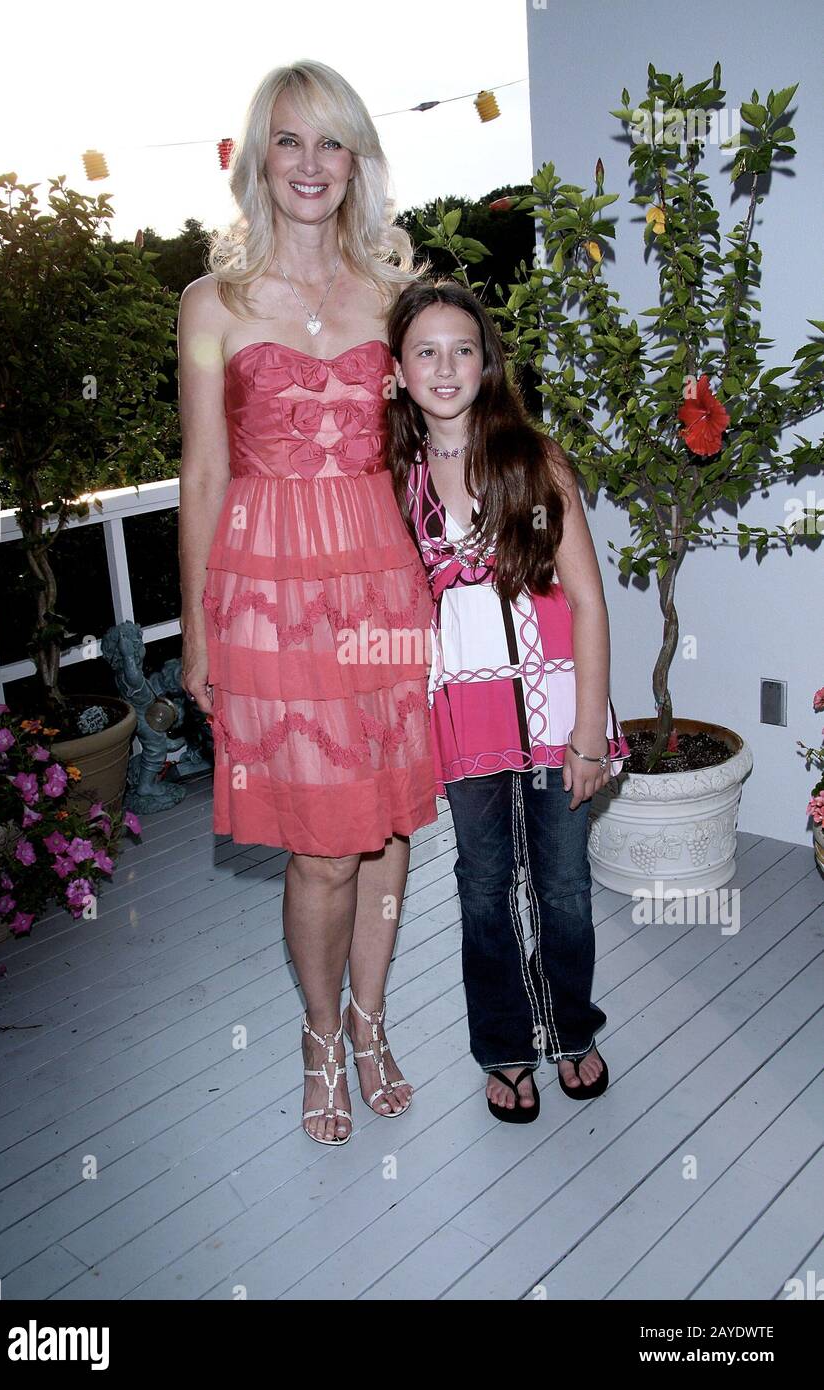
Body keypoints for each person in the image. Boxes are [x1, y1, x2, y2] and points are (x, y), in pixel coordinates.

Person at [177, 61, 438, 1147]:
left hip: (381, 583)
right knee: (322, 844)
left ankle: (374, 1021)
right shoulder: (210, 305)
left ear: (357, 159)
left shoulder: (396, 297)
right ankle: (319, 1035)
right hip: (268, 600)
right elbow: (200, 475)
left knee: (382, 827)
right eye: (288, 141)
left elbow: (444, 432)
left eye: (330, 142)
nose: (310, 164)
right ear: (256, 159)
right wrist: (196, 629)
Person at [386, 279, 630, 1123]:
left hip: (558, 711)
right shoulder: (394, 478)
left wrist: (591, 735)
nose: (445, 366)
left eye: (463, 348)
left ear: (488, 362)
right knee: (483, 886)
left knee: (563, 885)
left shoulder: (534, 457)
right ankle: (504, 1047)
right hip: (463, 715)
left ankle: (572, 1028)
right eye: (426, 350)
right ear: (399, 368)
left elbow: (589, 600)